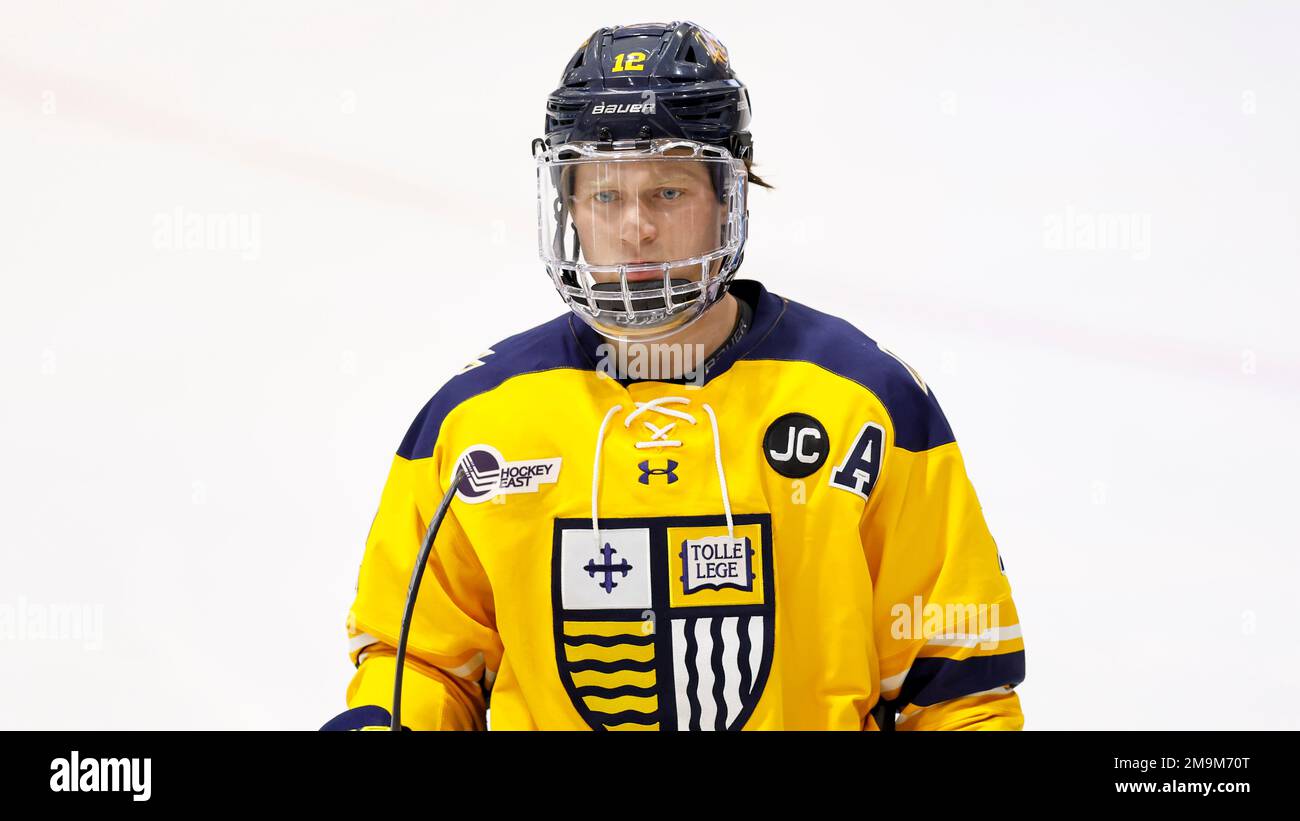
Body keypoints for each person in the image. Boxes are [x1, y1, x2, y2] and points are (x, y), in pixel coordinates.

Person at [324, 20, 1025, 731]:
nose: (635, 228)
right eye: (604, 195)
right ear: (566, 206)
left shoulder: (864, 405)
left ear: (730, 196)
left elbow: (959, 691)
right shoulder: (476, 422)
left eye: (668, 192)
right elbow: (422, 662)